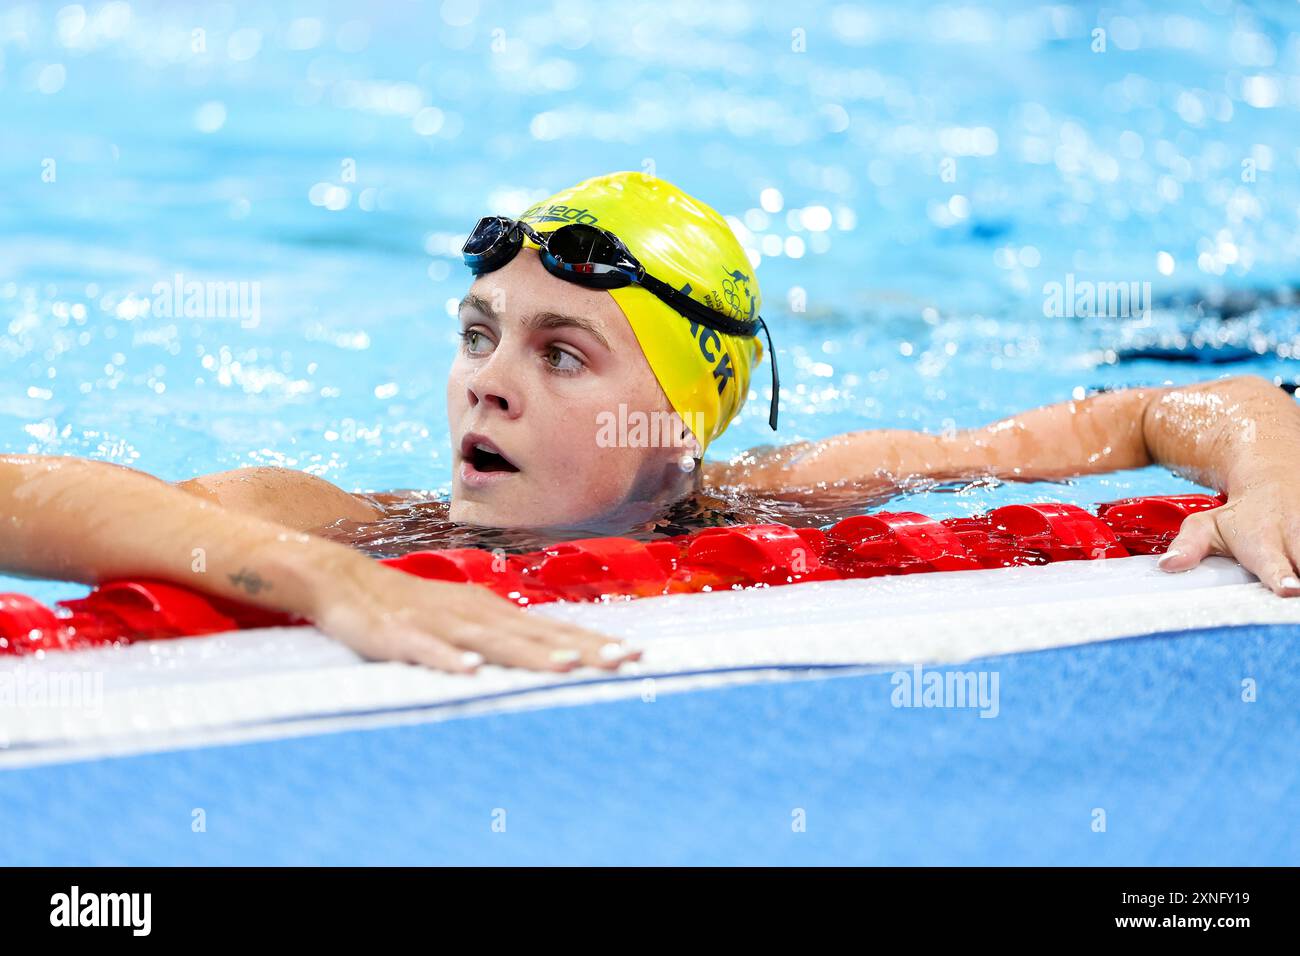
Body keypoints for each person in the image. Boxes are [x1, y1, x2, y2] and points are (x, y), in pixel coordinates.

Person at [4, 172, 1300, 673]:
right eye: (476, 334)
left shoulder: (792, 495)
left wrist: (1270, 470)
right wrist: (327, 581)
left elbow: (1165, 408)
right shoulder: (350, 524)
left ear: (682, 421)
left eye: (561, 353)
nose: (484, 384)